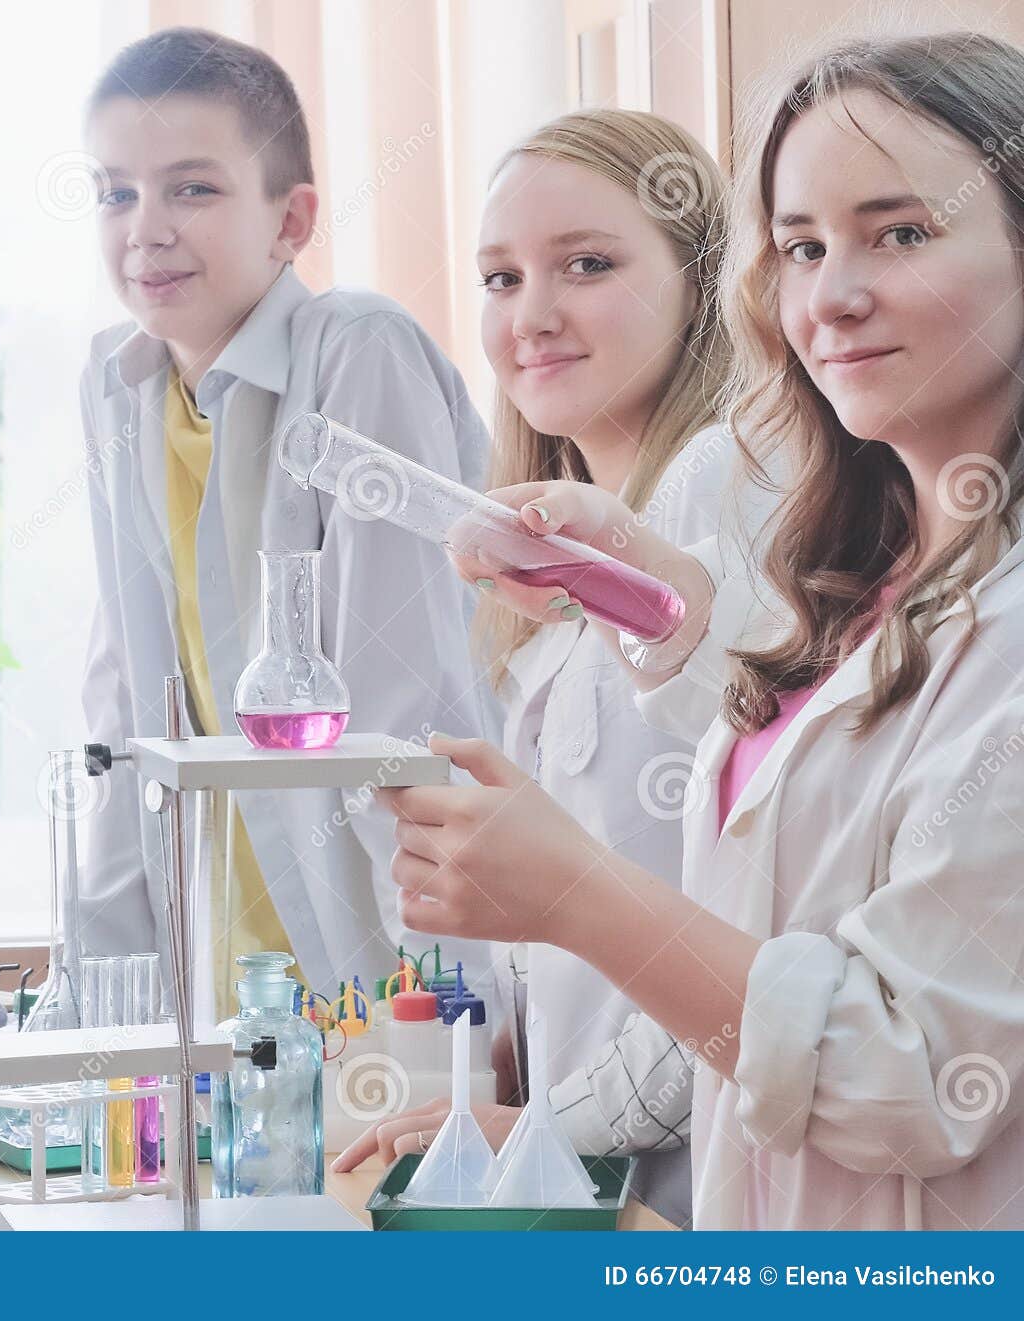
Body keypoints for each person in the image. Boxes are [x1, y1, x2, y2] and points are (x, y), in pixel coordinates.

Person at [379, 31, 1024, 1229]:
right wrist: (646, 591)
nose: (831, 295)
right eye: (801, 247)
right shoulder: (879, 569)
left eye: (900, 233)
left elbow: (909, 1081)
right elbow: (792, 828)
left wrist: (575, 896)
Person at [335, 109, 766, 1229]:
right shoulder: (549, 585)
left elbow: (760, 937)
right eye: (501, 277)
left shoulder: (717, 486)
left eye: (587, 264)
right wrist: (495, 1079)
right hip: (595, 1192)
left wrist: (546, 1124)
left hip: (690, 1206)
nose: (530, 315)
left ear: (702, 282)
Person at [77, 27, 498, 1018]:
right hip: (228, 983)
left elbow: (407, 709)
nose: (146, 229)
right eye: (115, 192)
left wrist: (442, 1012)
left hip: (379, 970)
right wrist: (107, 998)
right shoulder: (115, 383)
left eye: (192, 188)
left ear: (291, 219)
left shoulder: (357, 352)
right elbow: (124, 699)